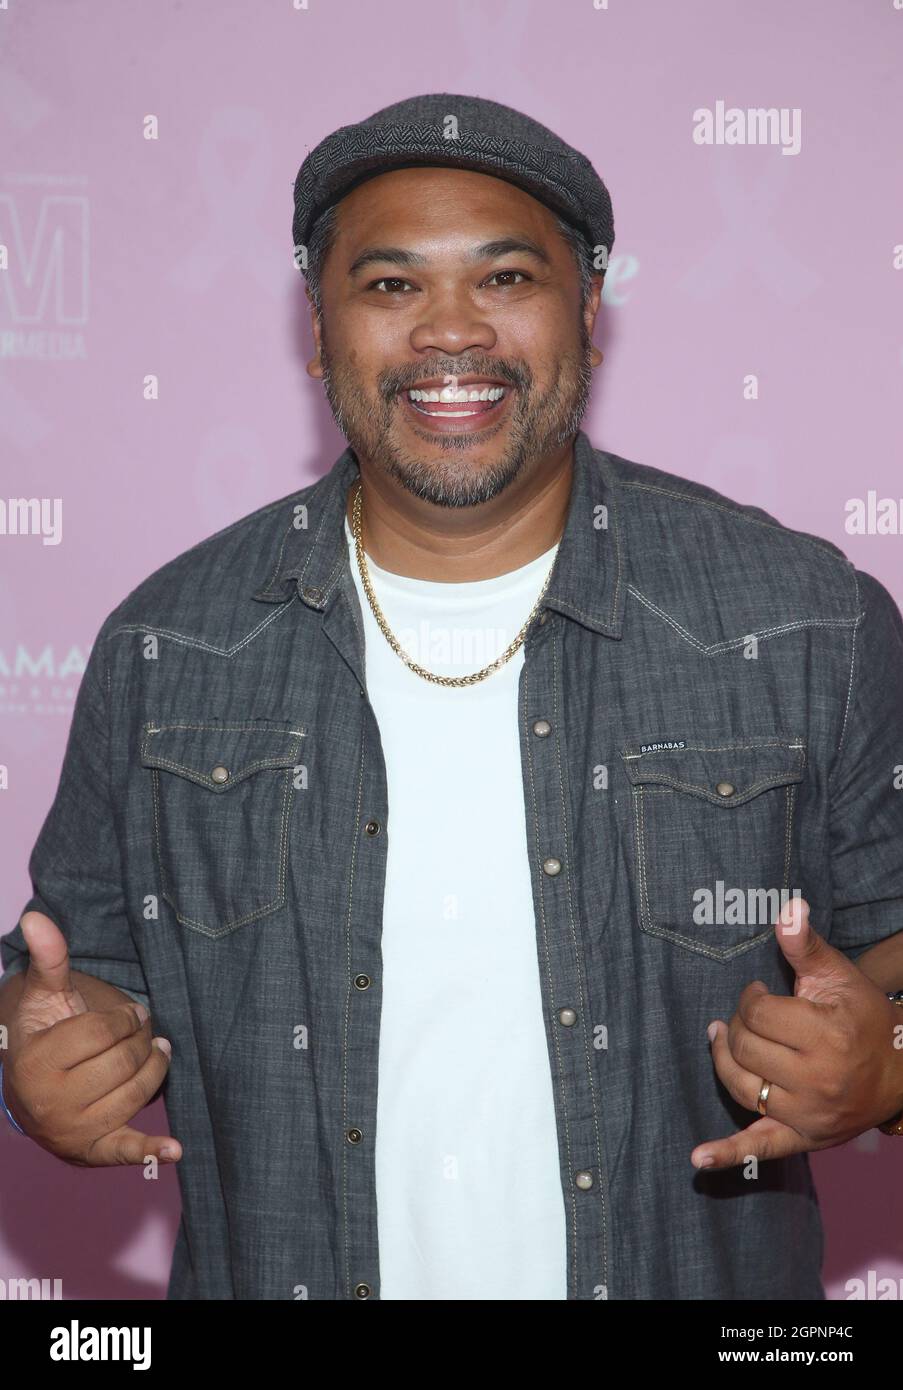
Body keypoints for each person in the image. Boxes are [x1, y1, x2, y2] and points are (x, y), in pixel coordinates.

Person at [1, 93, 902, 1302]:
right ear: (317, 334)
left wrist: (885, 1068)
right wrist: (33, 1060)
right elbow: (70, 977)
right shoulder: (171, 644)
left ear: (587, 313)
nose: (449, 334)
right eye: (388, 287)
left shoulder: (806, 620)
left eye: (506, 278)